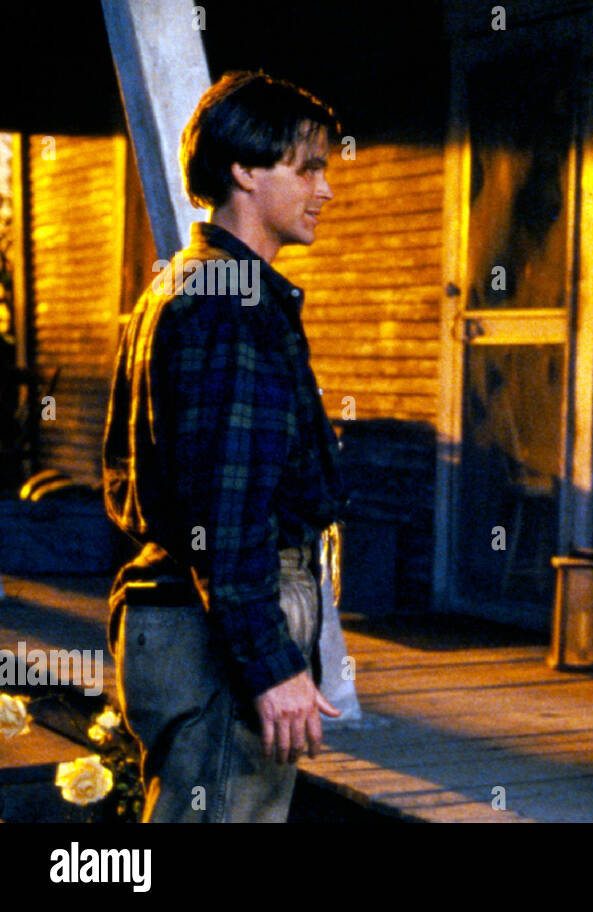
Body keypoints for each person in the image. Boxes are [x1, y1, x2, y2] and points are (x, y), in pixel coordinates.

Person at [103, 71, 347, 822]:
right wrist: (271, 669)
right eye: (306, 168)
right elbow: (228, 510)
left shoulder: (184, 286)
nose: (324, 190)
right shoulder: (229, 306)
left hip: (183, 622)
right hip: (218, 637)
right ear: (244, 169)